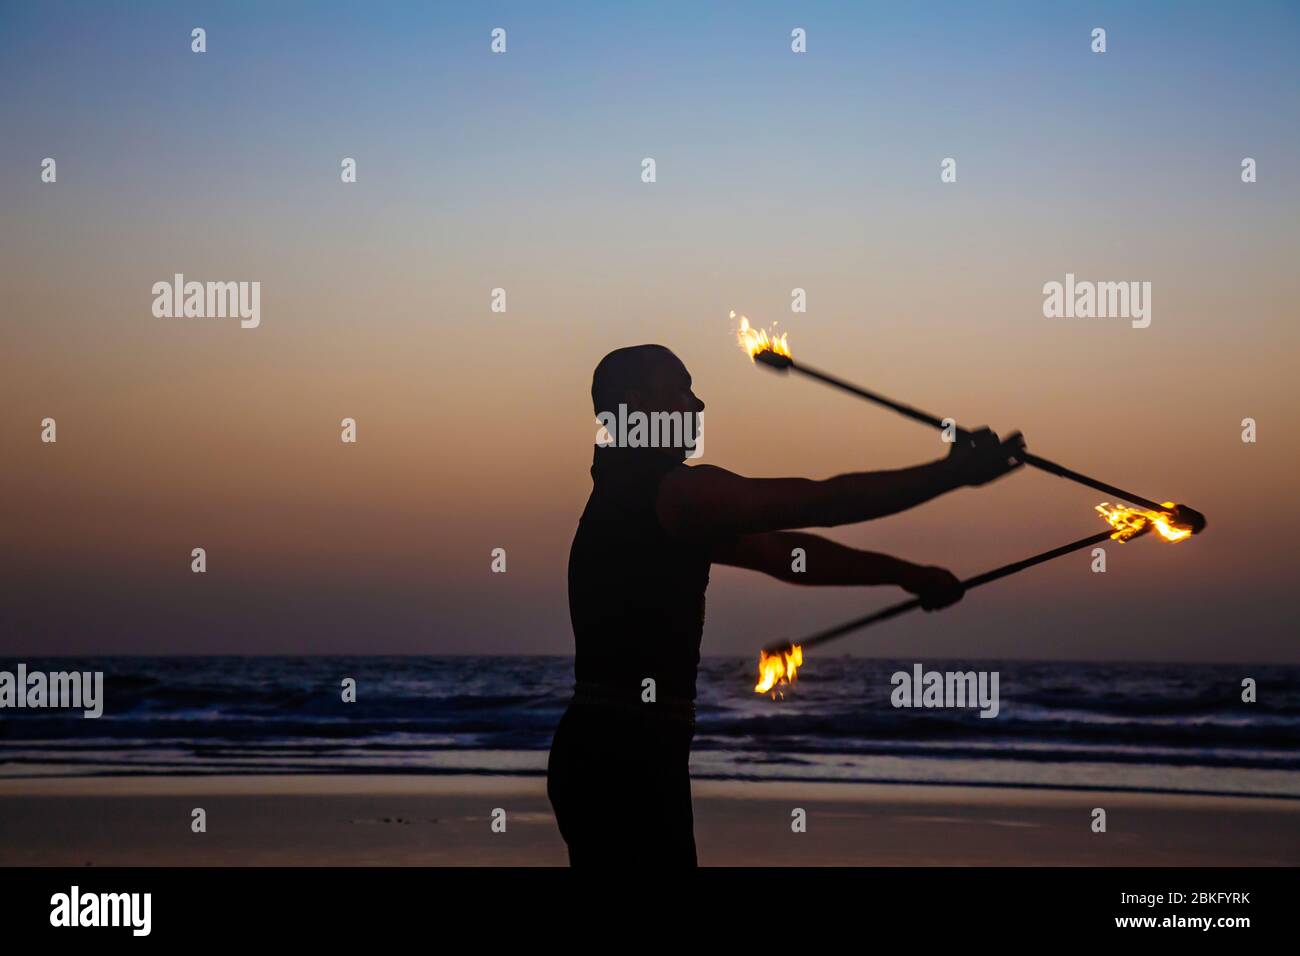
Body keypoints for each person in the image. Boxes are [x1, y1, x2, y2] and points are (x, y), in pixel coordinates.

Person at [546, 344, 1024, 866]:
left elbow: (785, 554)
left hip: (620, 753)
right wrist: (950, 475)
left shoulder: (642, 500)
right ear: (637, 405)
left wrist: (908, 576)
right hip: (621, 761)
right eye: (680, 390)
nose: (698, 404)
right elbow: (825, 503)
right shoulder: (674, 495)